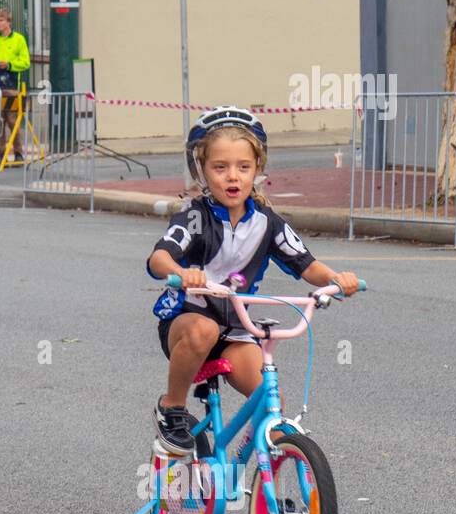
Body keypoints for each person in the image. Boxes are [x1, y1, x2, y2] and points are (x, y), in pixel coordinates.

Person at [146, 106, 359, 456]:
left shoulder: (267, 222)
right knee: (205, 331)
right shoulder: (194, 216)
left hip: (237, 329)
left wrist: (337, 279)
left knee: (269, 400)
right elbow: (159, 258)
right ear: (201, 170)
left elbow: (306, 264)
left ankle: (271, 479)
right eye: (220, 167)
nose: (233, 177)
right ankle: (171, 408)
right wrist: (182, 273)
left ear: (258, 169)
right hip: (187, 323)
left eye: (243, 167)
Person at [0, 7, 30, 162]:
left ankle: (18, 152)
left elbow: (25, 62)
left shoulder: (18, 39)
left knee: (13, 120)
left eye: (1, 20)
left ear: (8, 22)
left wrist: (9, 64)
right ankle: (1, 152)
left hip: (11, 86)